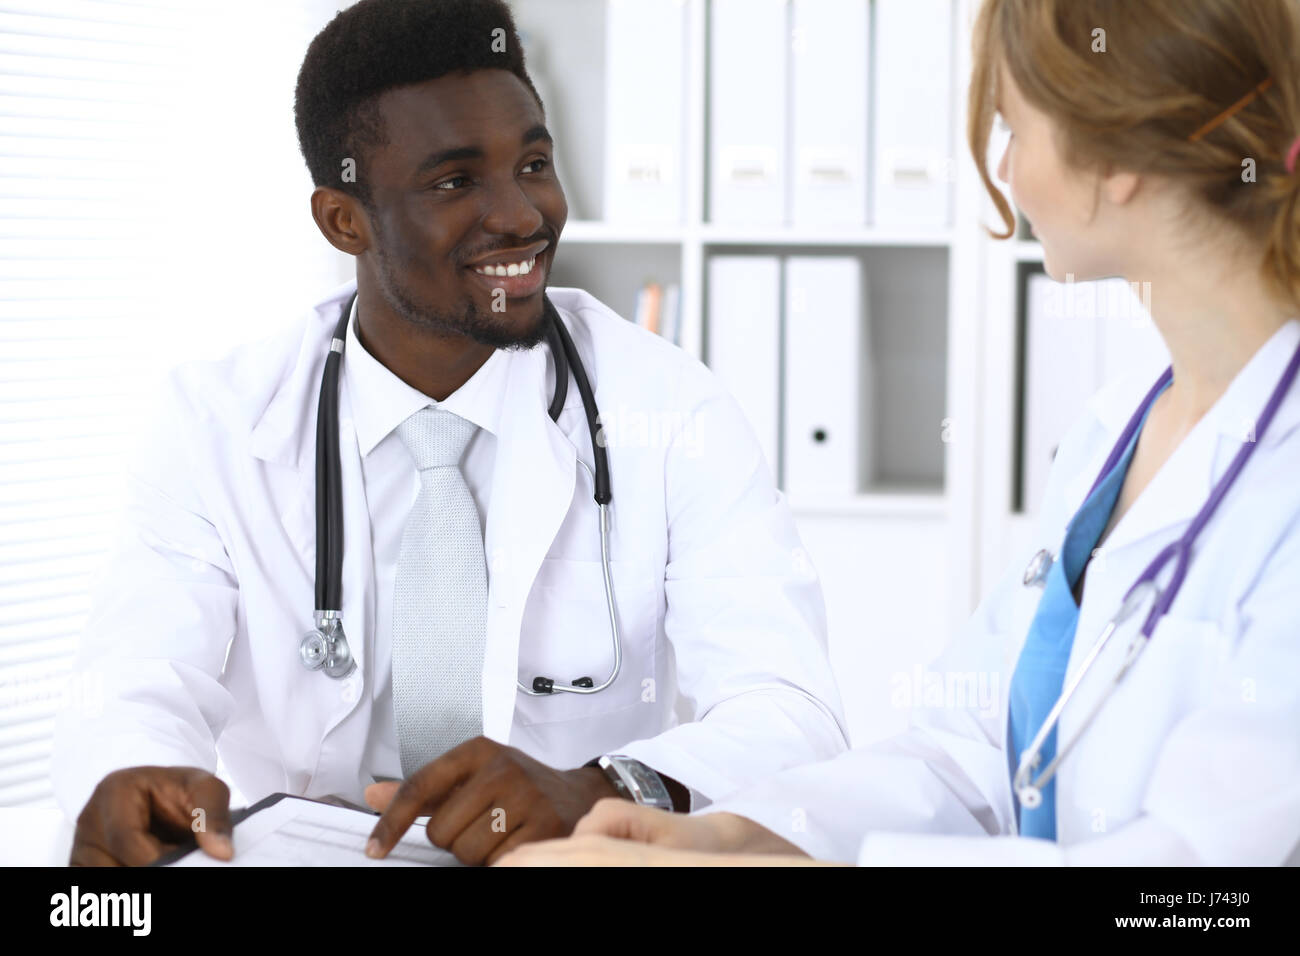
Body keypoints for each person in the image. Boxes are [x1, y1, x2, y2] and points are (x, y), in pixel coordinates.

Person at [498, 0, 1300, 867]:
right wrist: (729, 834)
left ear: (1114, 157)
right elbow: (964, 757)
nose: (1005, 171)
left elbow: (1196, 890)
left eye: (1013, 129)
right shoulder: (1118, 433)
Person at [52, 0, 847, 866]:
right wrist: (132, 776)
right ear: (343, 220)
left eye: (533, 163)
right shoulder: (217, 422)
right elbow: (139, 678)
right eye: (454, 182)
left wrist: (603, 785)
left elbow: (790, 710)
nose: (520, 216)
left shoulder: (668, 409)